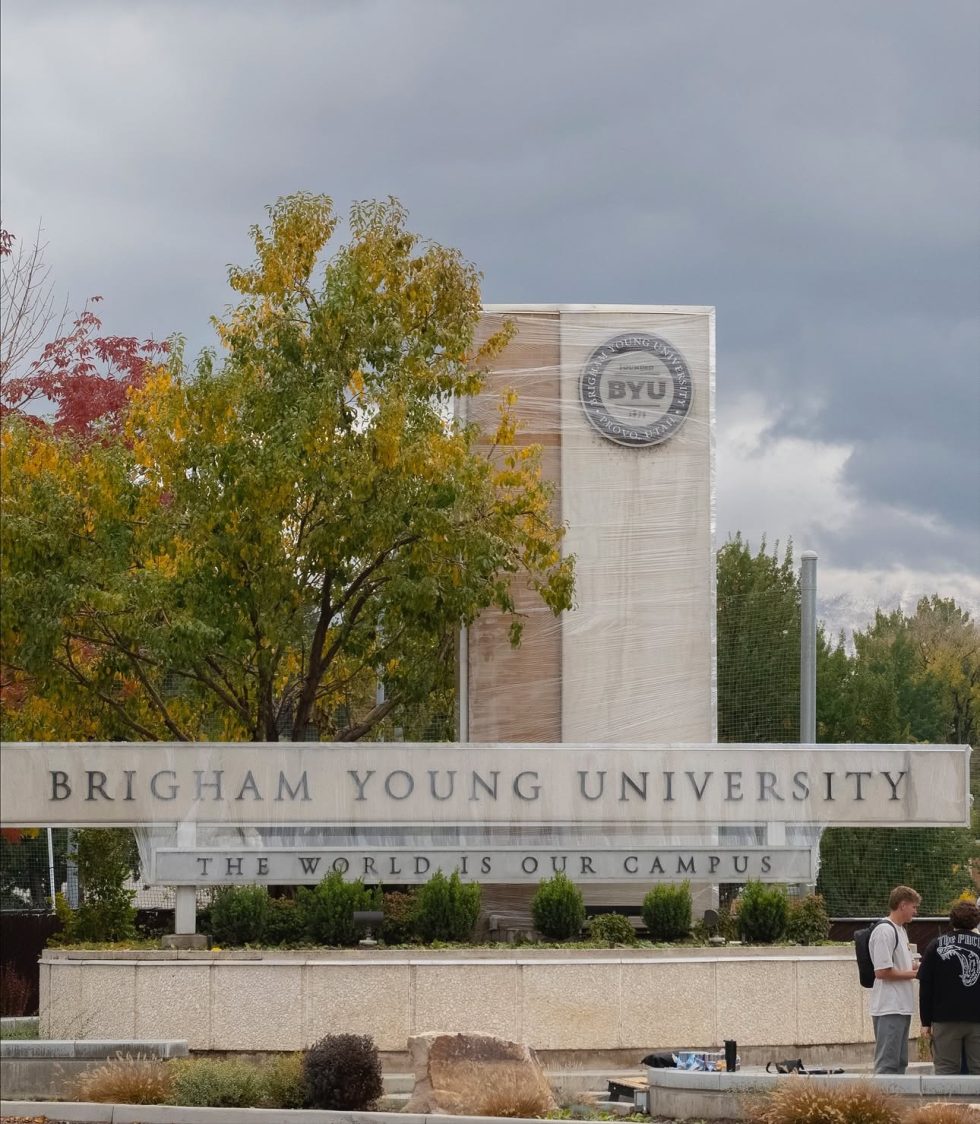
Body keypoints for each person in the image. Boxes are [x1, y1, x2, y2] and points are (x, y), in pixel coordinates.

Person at [918, 900, 980, 1075]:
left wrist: (925, 1021)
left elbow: (926, 986)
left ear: (951, 920)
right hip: (978, 1018)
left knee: (946, 1070)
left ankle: (948, 1102)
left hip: (945, 1018)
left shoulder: (936, 945)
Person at [869, 885, 921, 1075]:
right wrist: (915, 974)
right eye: (913, 907)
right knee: (887, 1064)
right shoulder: (885, 931)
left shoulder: (900, 930)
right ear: (902, 905)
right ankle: (883, 1101)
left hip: (901, 1005)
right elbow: (882, 972)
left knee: (899, 1062)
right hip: (889, 1006)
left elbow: (901, 964)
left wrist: (918, 967)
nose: (915, 912)